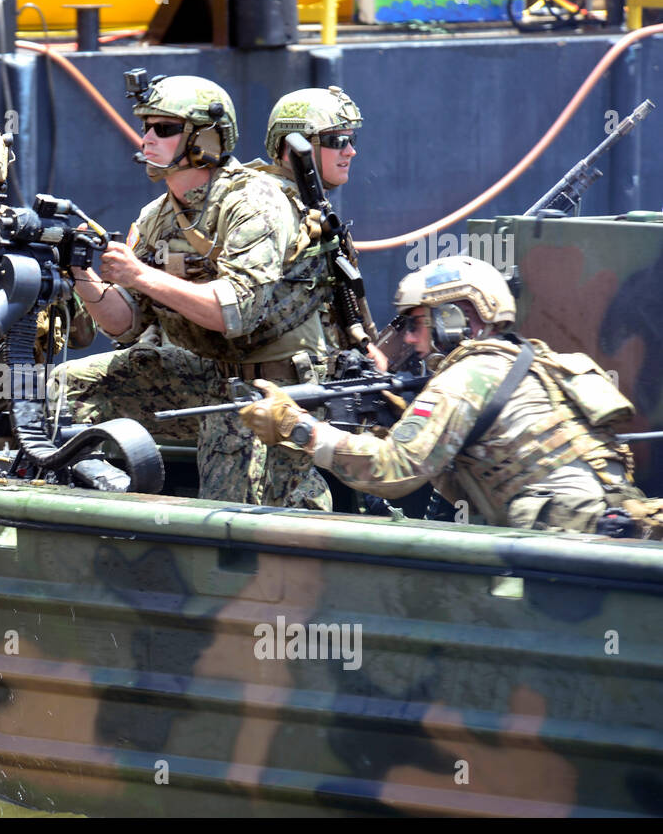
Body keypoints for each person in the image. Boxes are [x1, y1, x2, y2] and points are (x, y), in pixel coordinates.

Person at [57, 73, 334, 508]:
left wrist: (139, 275)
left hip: (274, 390)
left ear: (205, 139)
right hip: (207, 376)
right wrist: (80, 273)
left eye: (164, 129)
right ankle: (91, 493)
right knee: (65, 388)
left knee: (232, 510)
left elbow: (237, 312)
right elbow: (127, 324)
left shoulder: (254, 202)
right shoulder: (157, 217)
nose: (147, 138)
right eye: (147, 126)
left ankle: (303, 497)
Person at [241, 255, 663, 536]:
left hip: (567, 548)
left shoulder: (467, 376)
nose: (408, 339)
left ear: (453, 319)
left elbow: (393, 471)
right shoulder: (534, 360)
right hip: (614, 528)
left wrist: (299, 428)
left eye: (415, 323)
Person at [254, 86, 383, 368]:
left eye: (351, 139)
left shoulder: (305, 206)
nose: (351, 151)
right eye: (337, 141)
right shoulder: (274, 209)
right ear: (292, 148)